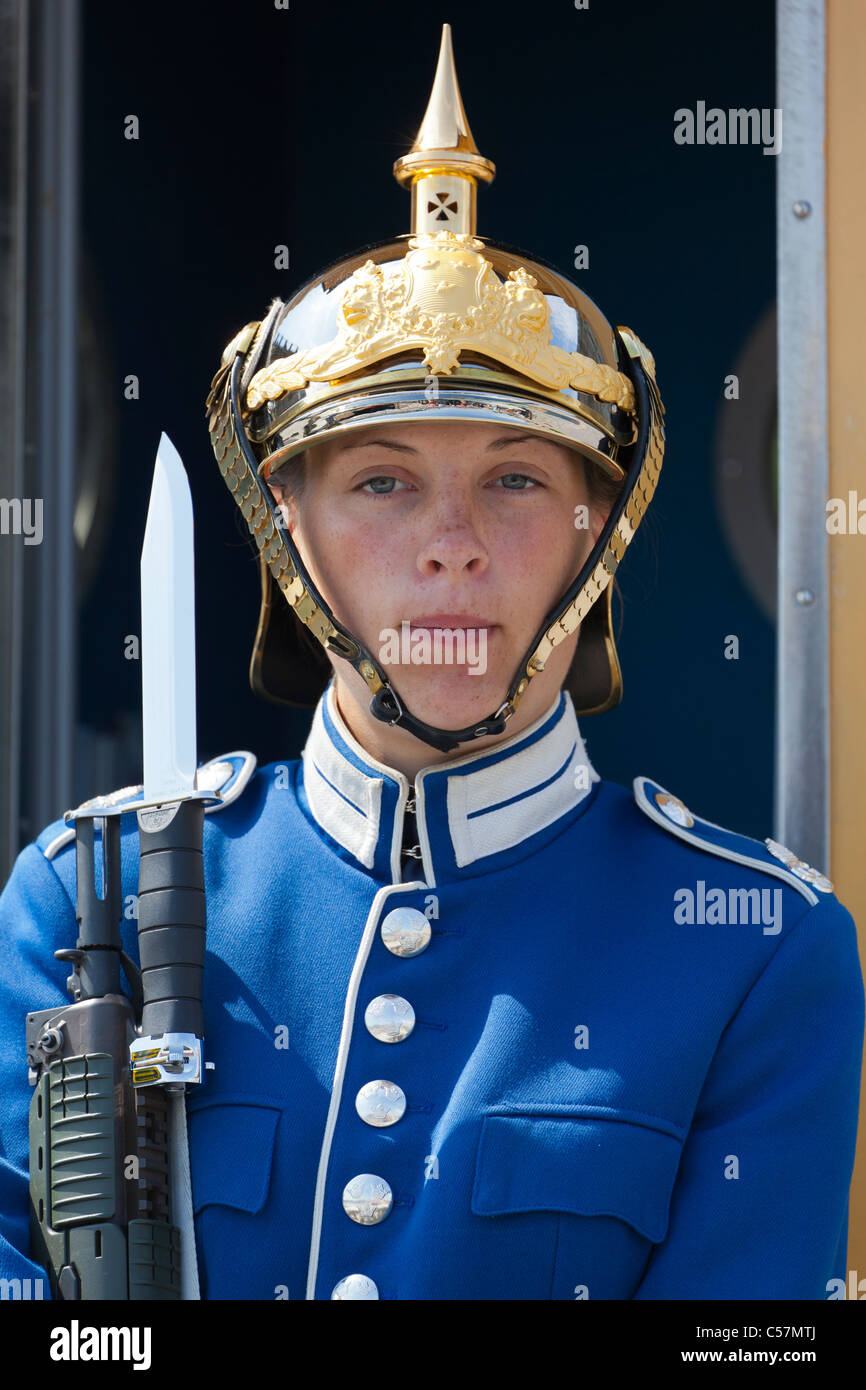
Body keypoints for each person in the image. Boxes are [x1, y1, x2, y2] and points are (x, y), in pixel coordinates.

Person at [0, 25, 862, 1302]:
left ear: (599, 529)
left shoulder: (756, 951)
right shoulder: (83, 905)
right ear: (287, 526)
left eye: (513, 481)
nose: (448, 548)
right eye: (383, 482)